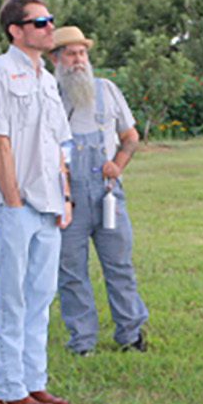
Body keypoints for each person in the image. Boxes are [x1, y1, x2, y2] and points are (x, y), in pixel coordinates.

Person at [0, 0, 74, 404]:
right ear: (16, 31)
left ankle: (35, 382)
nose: (49, 27)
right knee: (11, 297)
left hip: (48, 201)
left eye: (50, 20)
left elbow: (57, 143)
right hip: (15, 204)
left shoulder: (47, 79)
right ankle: (7, 387)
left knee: (40, 295)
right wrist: (12, 200)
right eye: (40, 22)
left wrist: (64, 196)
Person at [51, 25, 149, 355]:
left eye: (82, 53)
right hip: (67, 198)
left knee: (119, 265)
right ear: (56, 59)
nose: (78, 60)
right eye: (70, 54)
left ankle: (131, 334)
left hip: (108, 194)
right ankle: (82, 341)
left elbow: (131, 136)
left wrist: (118, 164)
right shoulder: (48, 95)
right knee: (71, 271)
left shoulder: (106, 90)